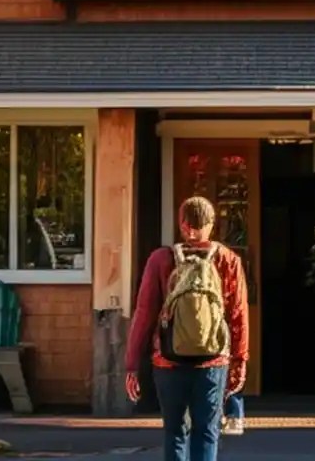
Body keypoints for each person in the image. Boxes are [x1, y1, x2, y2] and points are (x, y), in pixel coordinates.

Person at [125, 196, 249, 461]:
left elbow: (144, 312)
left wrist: (131, 364)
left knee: (175, 432)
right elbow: (238, 315)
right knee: (207, 431)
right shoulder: (228, 260)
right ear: (212, 224)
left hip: (168, 361)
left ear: (181, 224)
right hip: (214, 361)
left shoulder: (161, 259)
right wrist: (240, 360)